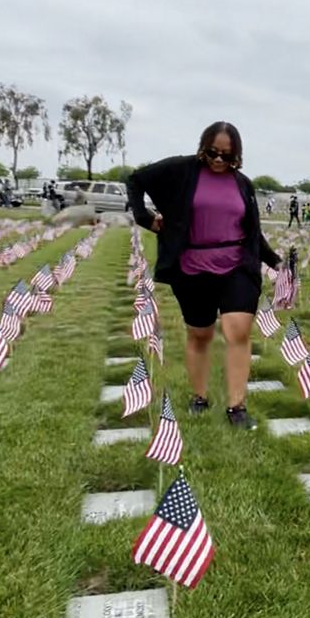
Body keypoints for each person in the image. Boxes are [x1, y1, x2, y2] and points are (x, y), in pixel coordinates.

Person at [126, 121, 280, 430]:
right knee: (201, 334)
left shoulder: (242, 184)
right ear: (203, 148)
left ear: (236, 154)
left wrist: (275, 261)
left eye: (227, 155)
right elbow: (136, 179)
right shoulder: (182, 171)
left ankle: (236, 406)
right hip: (192, 268)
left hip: (237, 265)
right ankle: (199, 396)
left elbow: (251, 232)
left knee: (237, 330)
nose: (219, 160)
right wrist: (145, 218)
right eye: (213, 153)